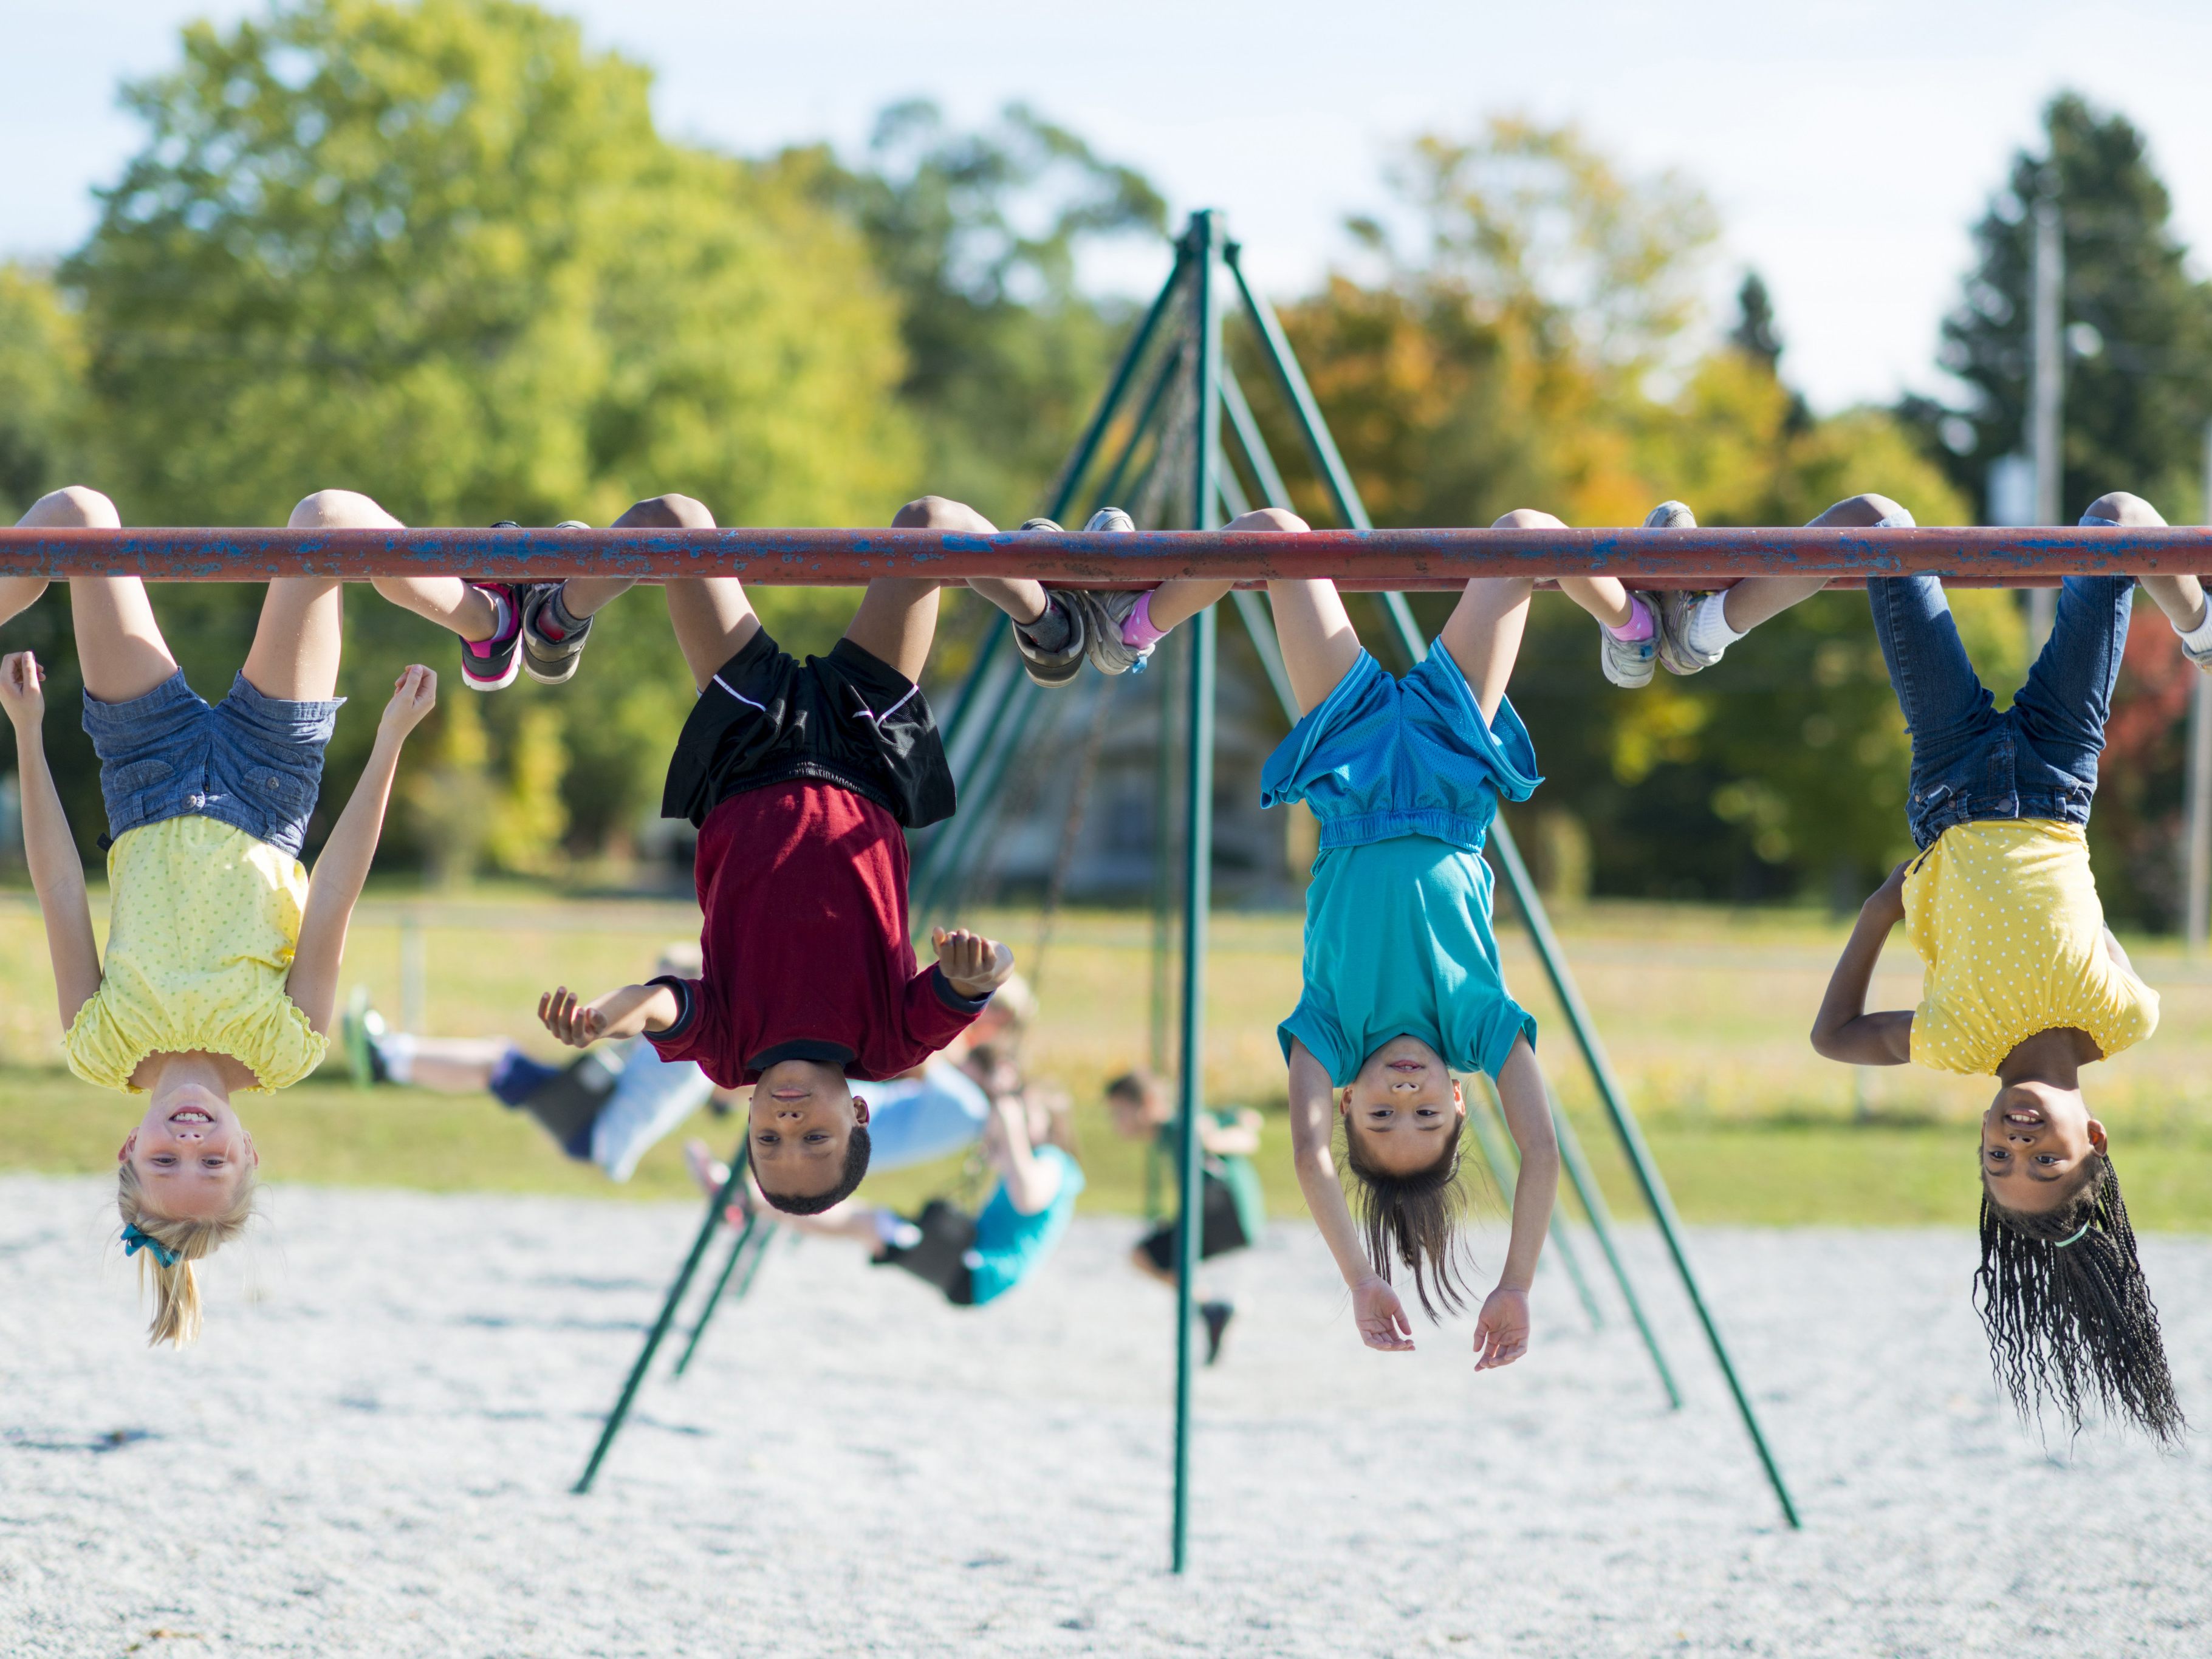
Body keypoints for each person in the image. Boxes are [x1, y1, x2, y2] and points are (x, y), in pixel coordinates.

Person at [0, 486, 437, 1346]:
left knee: (82, 517)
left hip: (143, 766)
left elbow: (57, 884)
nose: (190, 1141)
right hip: (271, 780)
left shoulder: (101, 1045)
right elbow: (337, 889)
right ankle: (490, 619)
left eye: (167, 1161)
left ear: (129, 1146)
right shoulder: (287, 1046)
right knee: (323, 521)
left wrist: (27, 729)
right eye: (213, 1161)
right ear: (250, 1152)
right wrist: (388, 741)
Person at [1801, 488, 2190, 1441]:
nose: (2017, 1136)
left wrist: (1876, 914)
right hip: (2062, 771)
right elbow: (2080, 913)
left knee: (1881, 524)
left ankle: (1705, 622)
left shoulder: (1952, 1038)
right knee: (2117, 517)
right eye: (2045, 1155)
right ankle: (2202, 623)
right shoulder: (2126, 1016)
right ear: (2094, 1137)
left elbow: (1833, 1037)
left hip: (1950, 772)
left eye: (1998, 1157)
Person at [526, 493, 1015, 1216]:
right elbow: (978, 982)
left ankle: (550, 618)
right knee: (928, 525)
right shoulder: (889, 1044)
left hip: (746, 752)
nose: (787, 1124)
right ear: (857, 1114)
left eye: (768, 1142)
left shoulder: (725, 1050)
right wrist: (983, 968)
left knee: (673, 521)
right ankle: (1053, 621)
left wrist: (604, 1018)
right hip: (864, 755)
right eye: (814, 1138)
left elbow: (664, 1005)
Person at [340, 945, 738, 1183]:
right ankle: (391, 1054)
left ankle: (386, 1057)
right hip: (597, 1122)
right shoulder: (706, 1050)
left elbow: (641, 1013)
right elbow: (721, 1097)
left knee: (497, 1063)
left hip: (594, 1125)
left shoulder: (694, 1034)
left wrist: (593, 1022)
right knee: (496, 1063)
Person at [686, 1075, 1083, 1309]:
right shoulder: (1039, 1161)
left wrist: (1012, 1125)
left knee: (870, 1223)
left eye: (1029, 1116)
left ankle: (752, 1199)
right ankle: (752, 1201)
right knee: (868, 1223)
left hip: (978, 1270)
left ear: (1050, 1125)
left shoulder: (1054, 1162)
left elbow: (1028, 1195)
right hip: (972, 1263)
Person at [1105, 1069, 1264, 1364]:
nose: (1116, 1123)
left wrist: (1214, 1141)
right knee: (1146, 1255)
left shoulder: (1180, 1127)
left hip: (1229, 1215)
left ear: (1148, 1104)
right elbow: (1240, 1117)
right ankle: (1211, 1309)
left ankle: (1211, 1308)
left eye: (1120, 1113)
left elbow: (1246, 1132)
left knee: (1143, 1255)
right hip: (1228, 1216)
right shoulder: (1171, 1132)